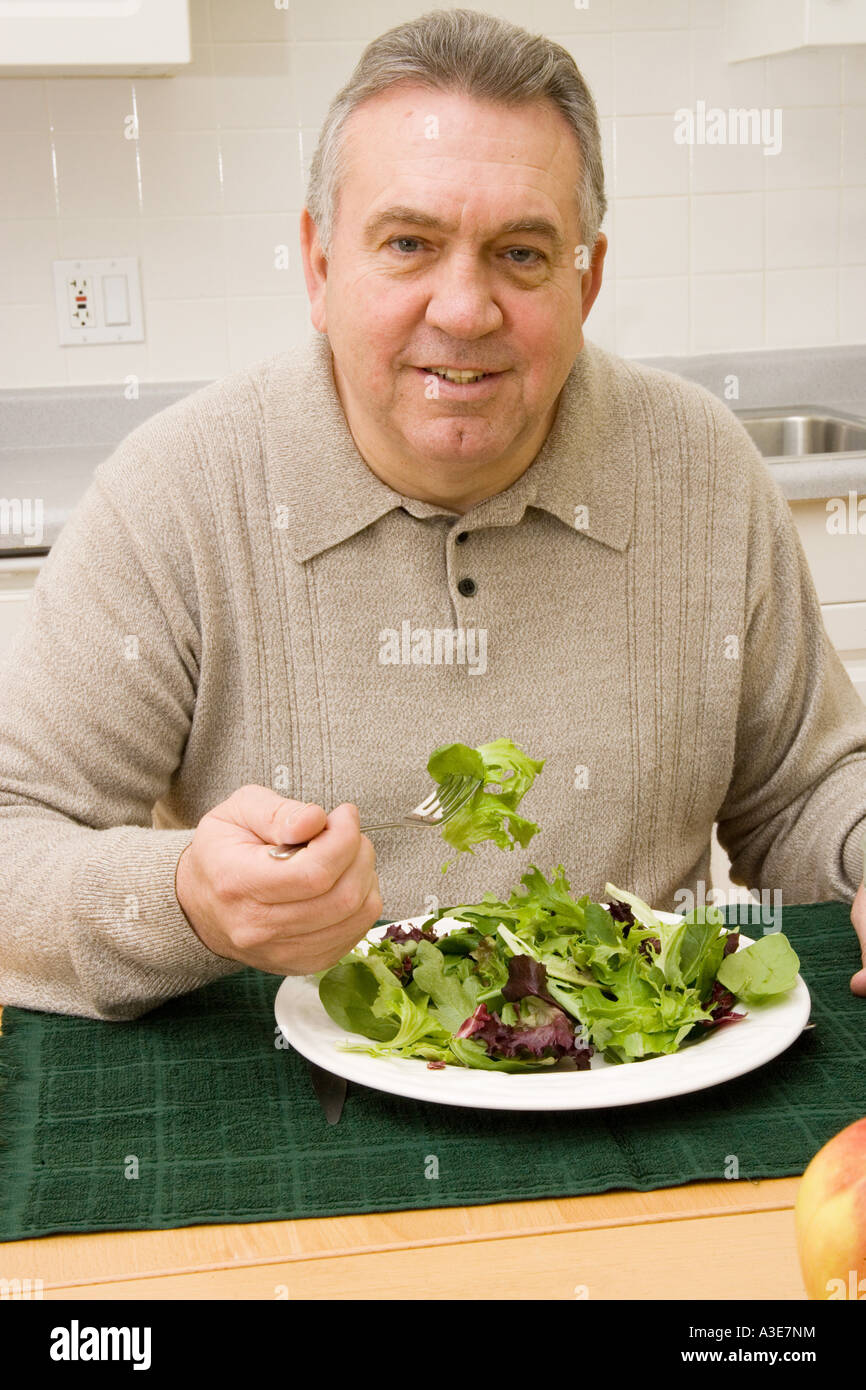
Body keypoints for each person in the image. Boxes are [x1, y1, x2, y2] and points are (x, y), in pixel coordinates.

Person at [0, 8, 864, 1022]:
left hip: (642, 1089)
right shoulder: (178, 493)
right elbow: (17, 832)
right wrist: (186, 897)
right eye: (408, 244)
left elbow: (805, 796)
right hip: (290, 1113)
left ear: (585, 280)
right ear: (320, 267)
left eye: (521, 254)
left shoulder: (702, 467)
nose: (463, 309)